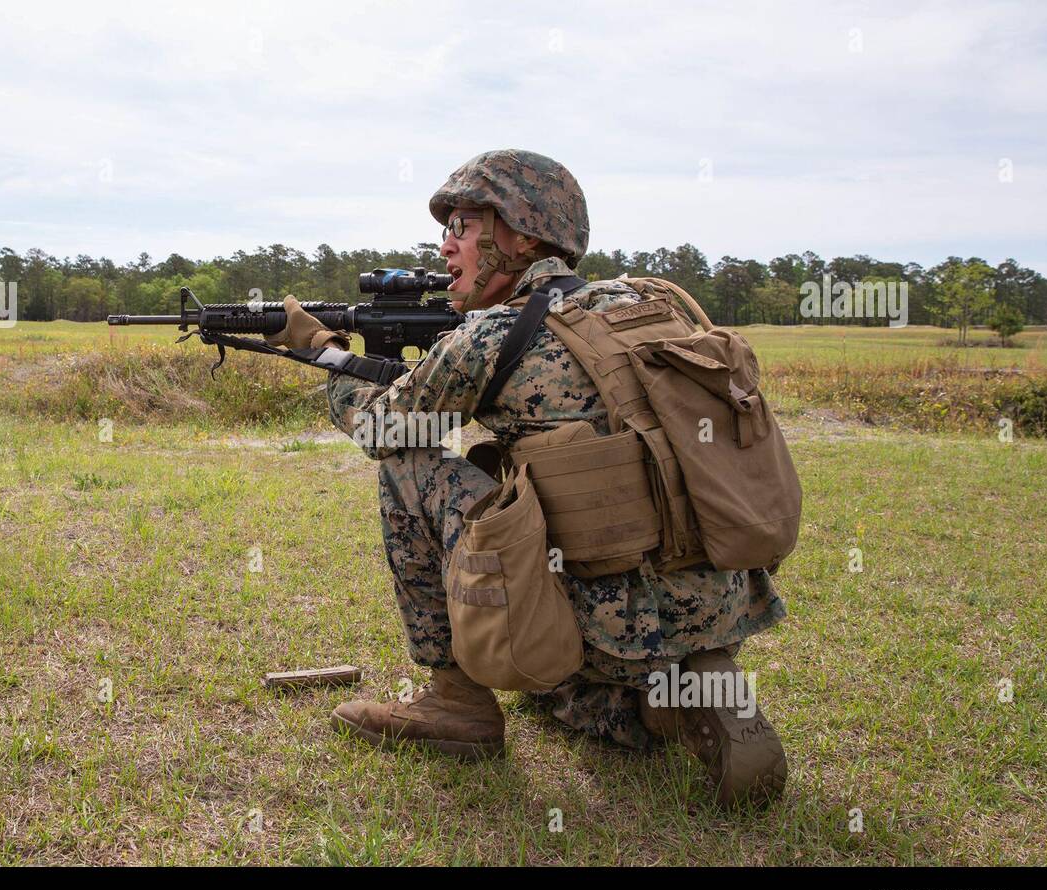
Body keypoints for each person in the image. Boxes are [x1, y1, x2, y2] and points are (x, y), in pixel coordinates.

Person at [267, 149, 789, 806]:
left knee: (410, 464)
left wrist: (322, 350)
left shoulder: (496, 332)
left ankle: (456, 703)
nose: (444, 244)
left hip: (601, 624)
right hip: (719, 602)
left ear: (517, 232)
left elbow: (381, 429)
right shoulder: (658, 307)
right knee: (557, 699)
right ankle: (672, 693)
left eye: (460, 224)